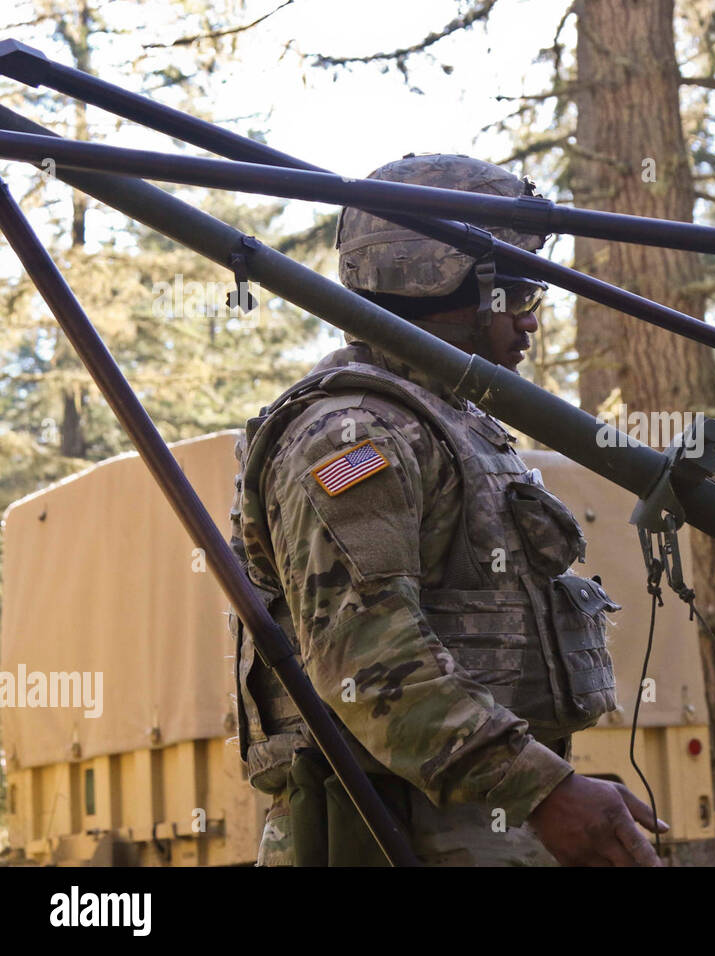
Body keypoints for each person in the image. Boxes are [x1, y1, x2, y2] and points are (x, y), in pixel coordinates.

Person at [228, 153, 667, 866]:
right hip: (397, 827)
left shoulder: (448, 421)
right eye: (520, 295)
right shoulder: (355, 433)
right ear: (450, 282)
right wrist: (543, 791)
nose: (530, 324)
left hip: (471, 815)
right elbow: (367, 663)